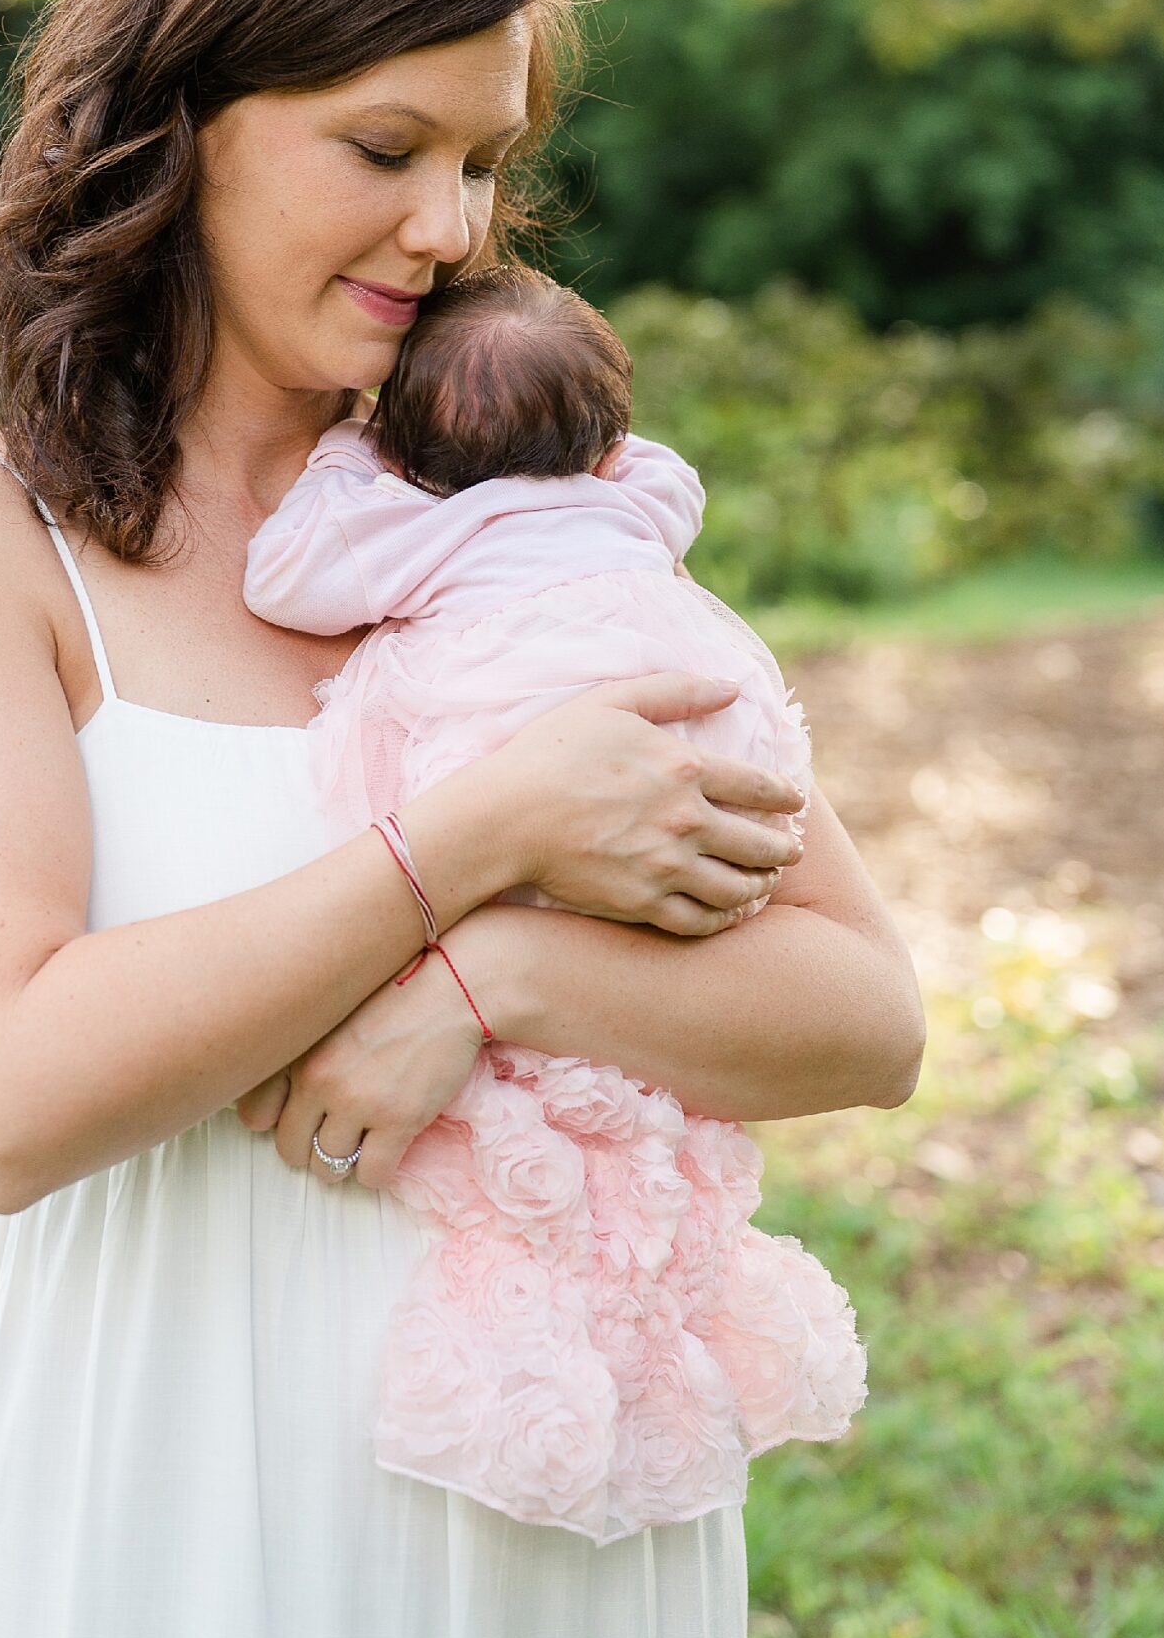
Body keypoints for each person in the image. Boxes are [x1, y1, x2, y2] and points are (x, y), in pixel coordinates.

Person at [0, 0, 925, 1638]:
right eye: (383, 147)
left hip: (548, 1514)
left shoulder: (531, 530)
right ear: (176, 121)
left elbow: (863, 1019)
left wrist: (494, 976)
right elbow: (2, 1103)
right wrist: (461, 851)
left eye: (486, 162)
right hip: (167, 1503)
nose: (451, 227)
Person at [236, 264, 864, 1549]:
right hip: (693, 719)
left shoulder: (411, 524)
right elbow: (669, 484)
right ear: (610, 442)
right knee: (635, 1154)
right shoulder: (639, 508)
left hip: (507, 769)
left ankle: (523, 1362)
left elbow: (287, 577)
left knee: (520, 1166)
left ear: (407, 453)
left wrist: (357, 461)